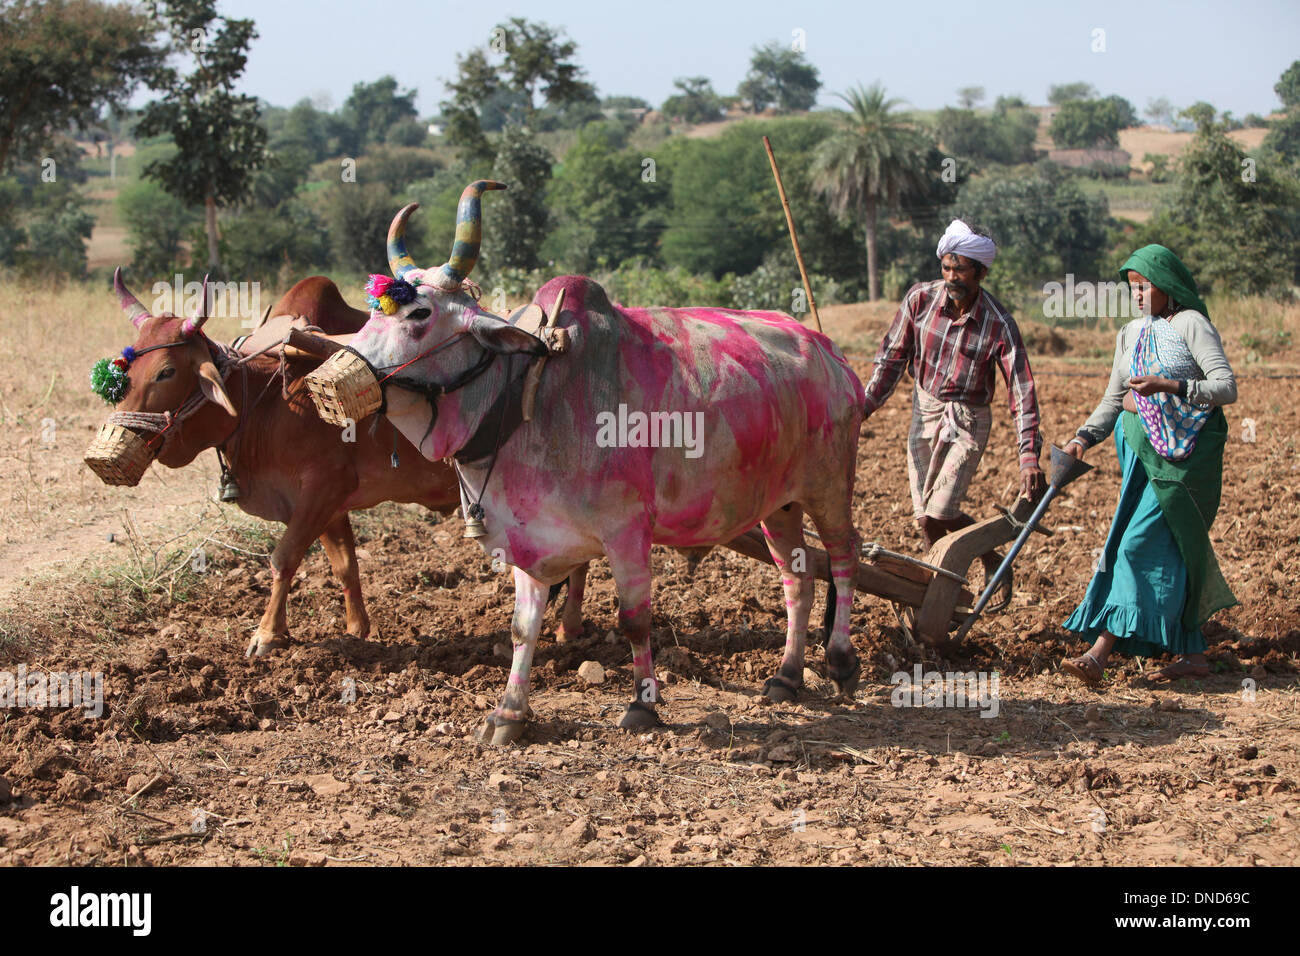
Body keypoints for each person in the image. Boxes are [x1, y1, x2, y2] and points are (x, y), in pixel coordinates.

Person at [1060, 244, 1238, 685]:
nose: (1137, 295)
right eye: (1132, 287)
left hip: (1183, 460)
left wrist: (1170, 385)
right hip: (1138, 454)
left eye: (1145, 286)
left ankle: (1099, 654)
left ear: (1168, 287)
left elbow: (1225, 387)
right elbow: (1112, 399)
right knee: (1173, 548)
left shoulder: (1192, 325)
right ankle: (1193, 654)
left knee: (1135, 545)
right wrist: (1084, 437)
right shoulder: (1130, 333)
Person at [863, 219, 1044, 601]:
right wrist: (864, 407)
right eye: (946, 268)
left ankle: (988, 556)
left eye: (960, 270)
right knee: (924, 516)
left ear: (981, 271)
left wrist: (1028, 455)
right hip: (925, 409)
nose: (951, 277)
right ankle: (941, 586)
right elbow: (891, 358)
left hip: (968, 419)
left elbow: (1021, 390)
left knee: (942, 510)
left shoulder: (999, 323)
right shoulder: (920, 300)